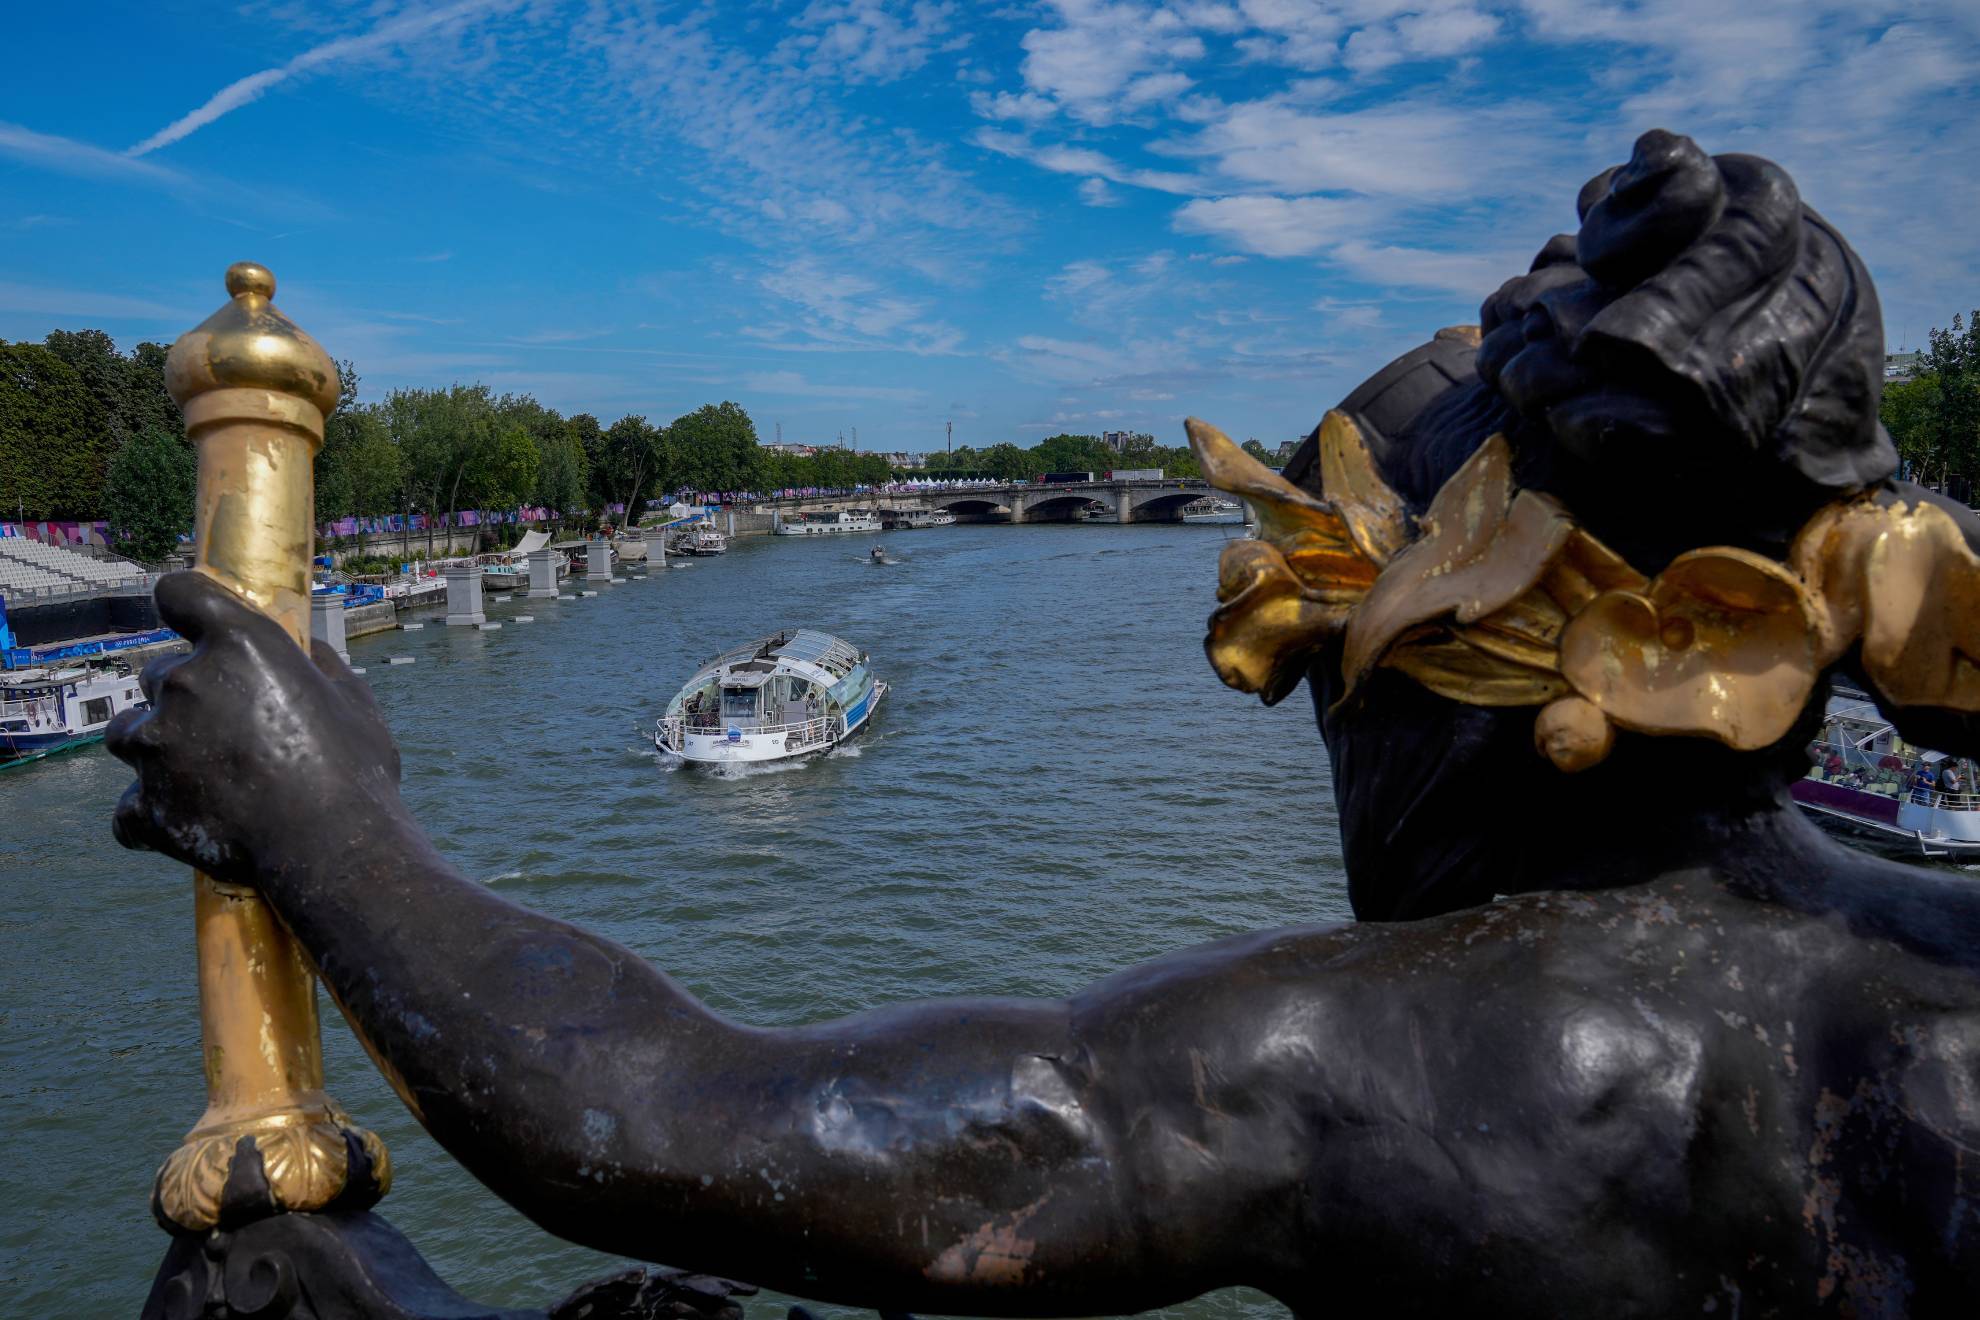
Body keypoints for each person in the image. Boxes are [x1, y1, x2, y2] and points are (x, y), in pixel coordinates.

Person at [109, 132, 1980, 1315]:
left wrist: (326, 821)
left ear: (1480, 644)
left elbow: (665, 1123)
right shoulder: (1921, 974)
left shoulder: (1477, 1044)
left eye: (1327, 671)